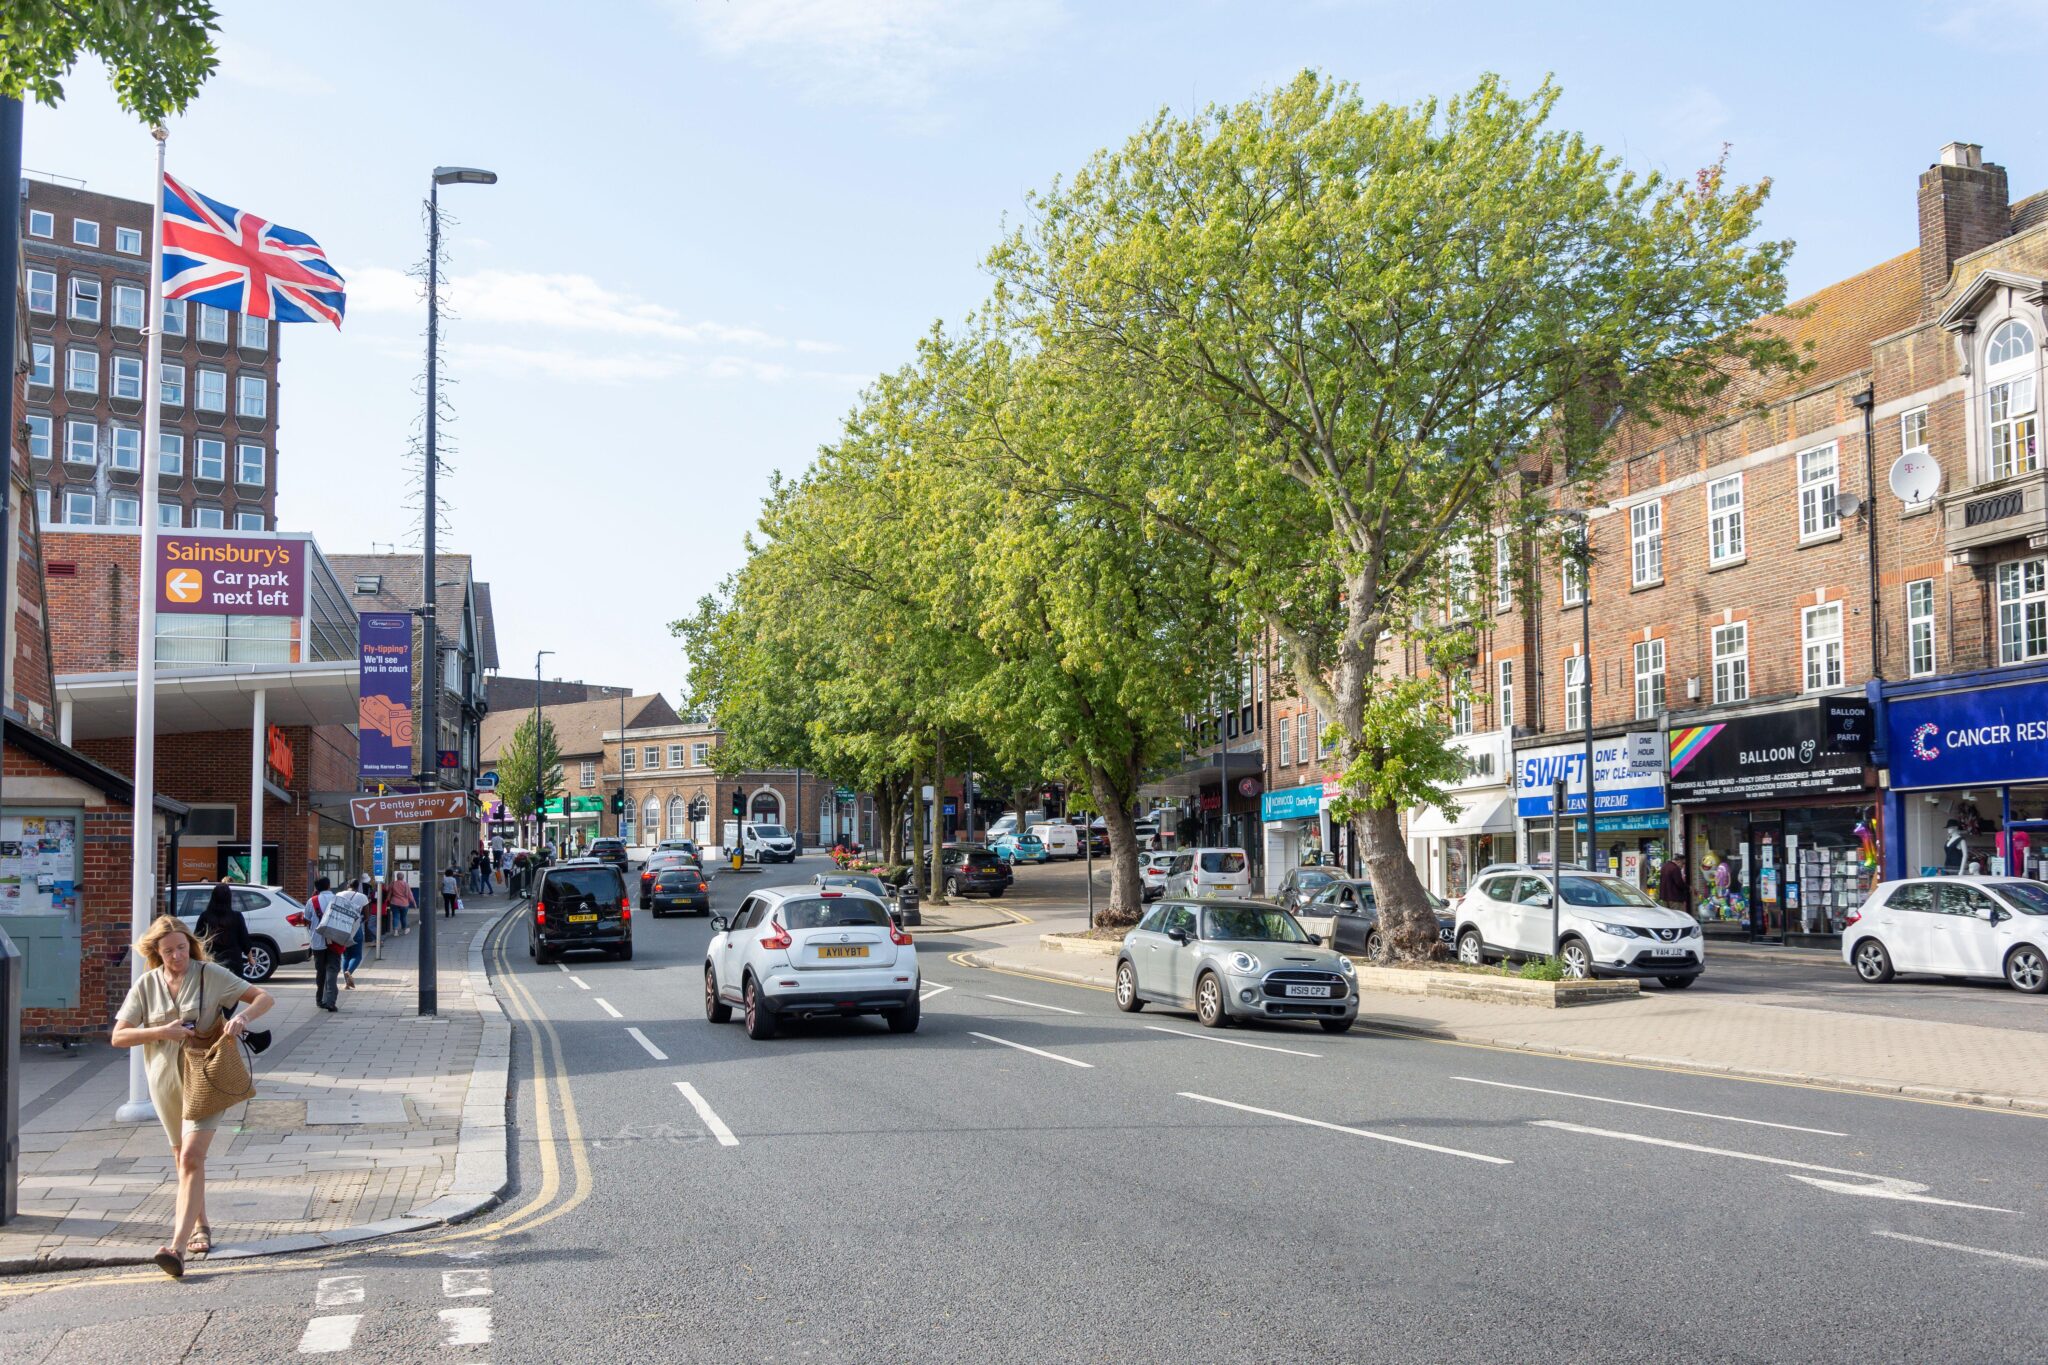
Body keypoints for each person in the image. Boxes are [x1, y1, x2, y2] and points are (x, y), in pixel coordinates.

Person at [112, 915, 273, 1277]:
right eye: (168, 951)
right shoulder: (146, 984)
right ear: (156, 952)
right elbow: (118, 1036)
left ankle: (177, 1247)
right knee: (182, 1158)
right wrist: (161, 1031)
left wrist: (242, 1018)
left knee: (191, 1156)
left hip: (205, 1076)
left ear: (190, 945)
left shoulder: (209, 975)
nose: (177, 956)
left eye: (182, 948)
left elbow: (264, 996)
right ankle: (201, 1225)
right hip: (164, 1081)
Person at [193, 881, 252, 981]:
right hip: (233, 960)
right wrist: (250, 957)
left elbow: (197, 938)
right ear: (229, 898)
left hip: (211, 959)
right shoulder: (237, 917)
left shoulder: (205, 916)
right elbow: (244, 939)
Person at [308, 876, 345, 1011]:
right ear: (329, 885)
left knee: (320, 971)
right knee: (332, 969)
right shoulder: (338, 900)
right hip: (335, 940)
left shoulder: (312, 901)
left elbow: (307, 919)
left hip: (318, 941)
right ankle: (330, 1000)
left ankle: (319, 999)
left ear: (316, 888)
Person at [386, 871, 413, 936]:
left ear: (397, 877)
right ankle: (405, 929)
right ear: (403, 877)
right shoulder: (406, 884)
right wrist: (414, 903)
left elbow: (388, 890)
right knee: (403, 917)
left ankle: (395, 931)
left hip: (394, 903)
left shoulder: (393, 883)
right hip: (404, 903)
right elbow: (410, 895)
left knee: (395, 917)